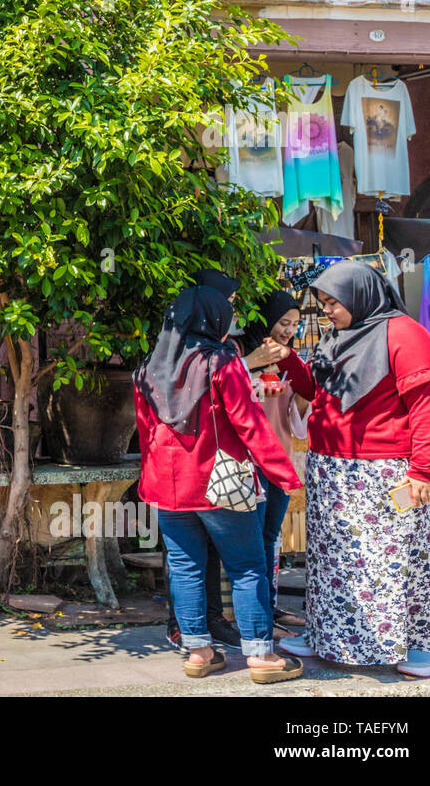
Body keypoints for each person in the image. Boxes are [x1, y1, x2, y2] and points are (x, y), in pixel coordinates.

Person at [273, 261, 430, 677]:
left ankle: (418, 644)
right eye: (323, 303)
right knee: (334, 561)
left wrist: (423, 471)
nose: (328, 311)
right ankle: (327, 636)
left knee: (399, 561)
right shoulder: (339, 337)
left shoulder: (405, 334)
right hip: (332, 469)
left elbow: (428, 405)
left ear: (361, 295)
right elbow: (318, 391)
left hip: (385, 472)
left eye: (333, 302)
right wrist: (288, 361)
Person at [135, 286, 305, 683]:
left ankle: (199, 653)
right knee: (247, 567)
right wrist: (283, 473)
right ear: (211, 321)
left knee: (185, 566)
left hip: (167, 487)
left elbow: (145, 432)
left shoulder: (148, 367)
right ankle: (261, 658)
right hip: (219, 484)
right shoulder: (222, 363)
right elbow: (250, 423)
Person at [163, 268, 243, 652]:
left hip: (192, 477)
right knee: (204, 562)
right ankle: (186, 628)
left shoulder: (221, 352)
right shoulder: (175, 357)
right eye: (225, 303)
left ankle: (204, 633)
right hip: (193, 475)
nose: (230, 311)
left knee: (199, 558)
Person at [236, 288, 308, 635]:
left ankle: (269, 605)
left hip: (279, 462)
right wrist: (252, 362)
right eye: (283, 322)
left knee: (270, 539)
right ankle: (255, 615)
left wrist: (289, 362)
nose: (288, 331)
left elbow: (307, 397)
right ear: (265, 319)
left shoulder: (289, 360)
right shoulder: (237, 354)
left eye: (294, 324)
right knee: (251, 542)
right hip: (247, 466)